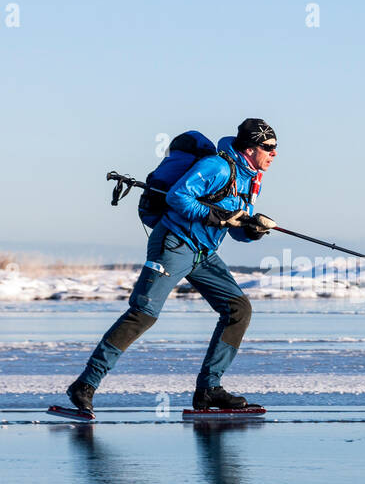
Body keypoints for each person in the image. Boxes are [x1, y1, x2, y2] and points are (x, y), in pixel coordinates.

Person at [65, 118, 279, 413]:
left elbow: (237, 230)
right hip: (174, 245)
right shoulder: (217, 167)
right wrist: (216, 217)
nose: (274, 154)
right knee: (143, 313)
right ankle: (84, 385)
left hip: (203, 254)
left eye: (274, 148)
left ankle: (209, 390)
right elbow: (180, 196)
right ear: (250, 148)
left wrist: (253, 229)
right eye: (268, 148)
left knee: (238, 309)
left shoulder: (250, 179)